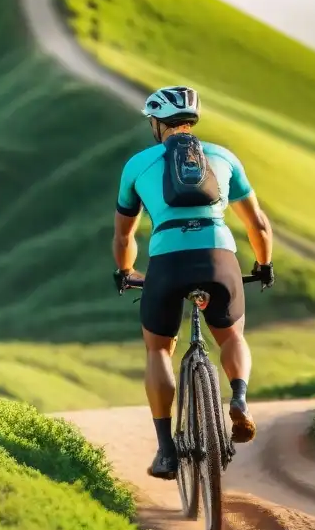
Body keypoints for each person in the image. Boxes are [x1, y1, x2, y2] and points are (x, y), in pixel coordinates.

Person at [112, 86, 275, 480]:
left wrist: (125, 271)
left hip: (168, 262)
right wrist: (264, 263)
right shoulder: (223, 157)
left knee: (158, 351)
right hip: (218, 256)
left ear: (157, 123)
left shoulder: (138, 165)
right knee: (232, 336)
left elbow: (123, 236)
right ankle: (238, 397)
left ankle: (167, 451)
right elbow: (258, 224)